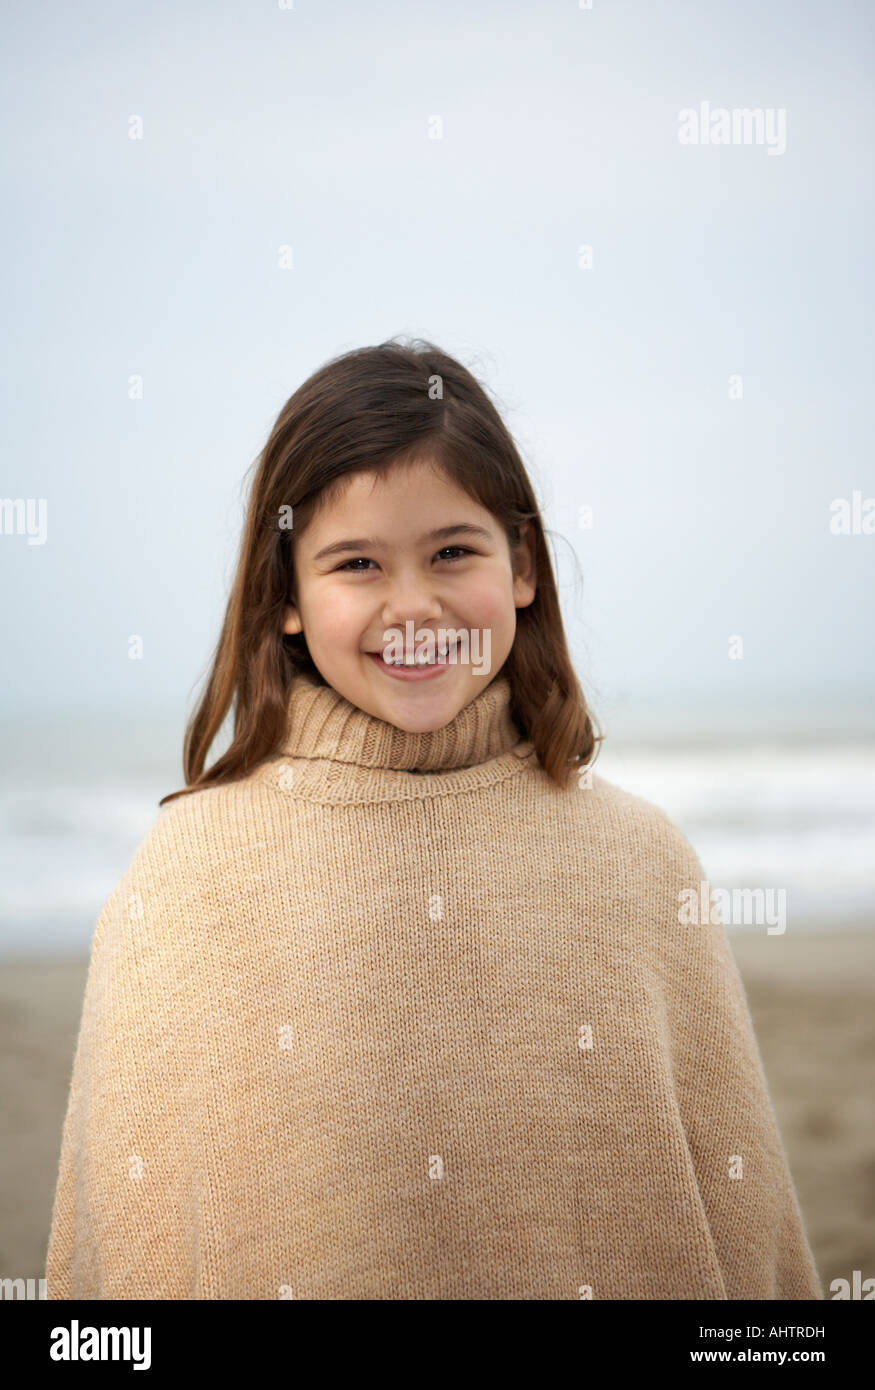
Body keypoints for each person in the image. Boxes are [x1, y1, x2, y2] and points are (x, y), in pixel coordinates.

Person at [45, 338, 822, 1299]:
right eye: (357, 563)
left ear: (523, 567)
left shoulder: (637, 860)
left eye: (452, 552)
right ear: (285, 596)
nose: (412, 606)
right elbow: (130, 1243)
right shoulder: (192, 870)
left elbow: (747, 1243)